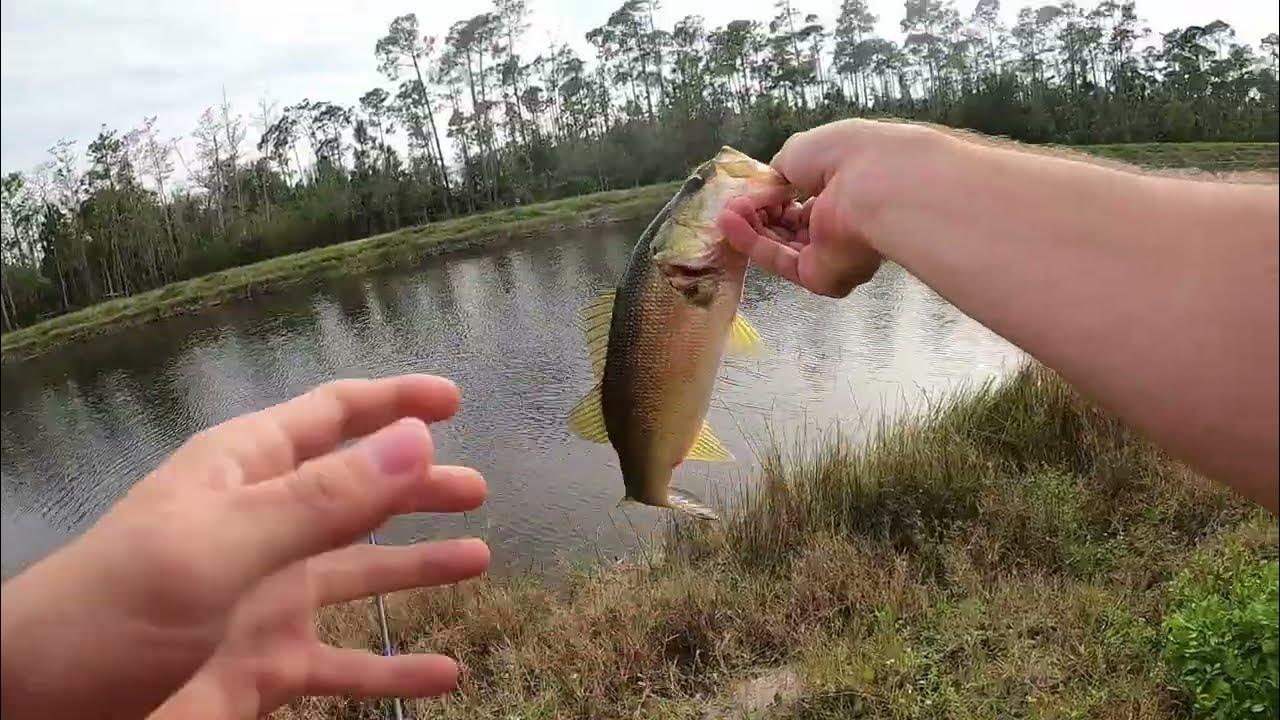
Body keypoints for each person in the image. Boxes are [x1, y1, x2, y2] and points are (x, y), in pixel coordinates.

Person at [0, 119, 1275, 719]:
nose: (700, 185)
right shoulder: (687, 264)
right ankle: (653, 487)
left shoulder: (696, 271)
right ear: (684, 244)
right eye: (689, 192)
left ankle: (650, 486)